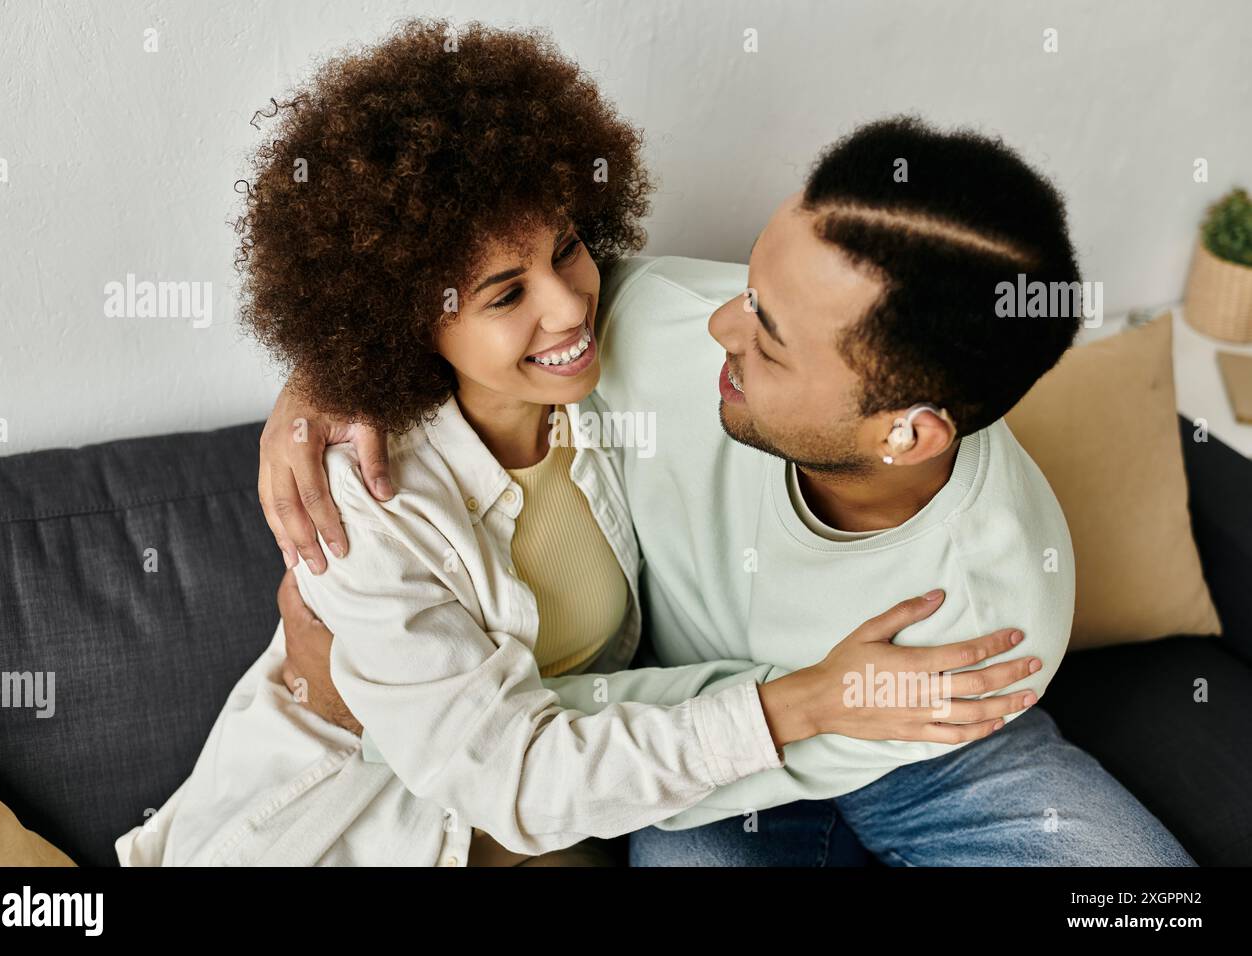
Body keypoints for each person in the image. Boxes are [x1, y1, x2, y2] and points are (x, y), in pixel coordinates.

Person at [115, 23, 1031, 868]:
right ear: (399, 321)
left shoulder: (605, 391)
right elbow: (512, 778)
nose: (568, 306)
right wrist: (813, 699)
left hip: (572, 823)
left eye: (568, 248)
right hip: (342, 837)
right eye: (506, 295)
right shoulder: (363, 499)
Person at [266, 115, 1197, 866]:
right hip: (703, 760)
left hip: (912, 746)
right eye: (747, 287)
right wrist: (322, 380)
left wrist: (813, 705)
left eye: (767, 330)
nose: (716, 322)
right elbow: (440, 285)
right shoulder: (651, 331)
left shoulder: (998, 601)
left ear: (903, 431)